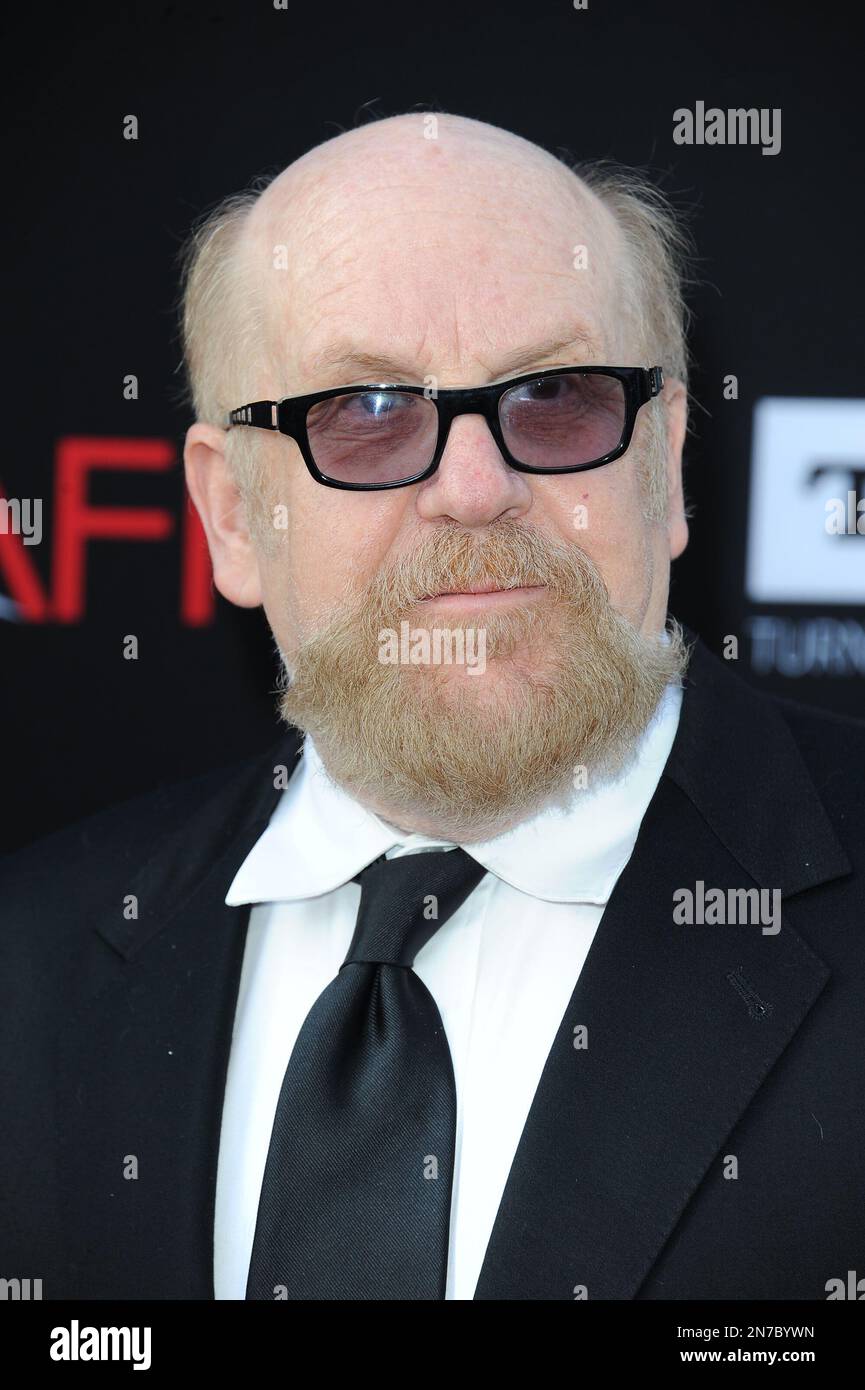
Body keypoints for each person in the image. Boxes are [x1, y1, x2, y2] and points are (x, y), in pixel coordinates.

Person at [1, 112, 863, 1301]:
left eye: (555, 394)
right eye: (364, 413)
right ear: (234, 517)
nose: (474, 487)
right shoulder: (31, 965)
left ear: (663, 463)